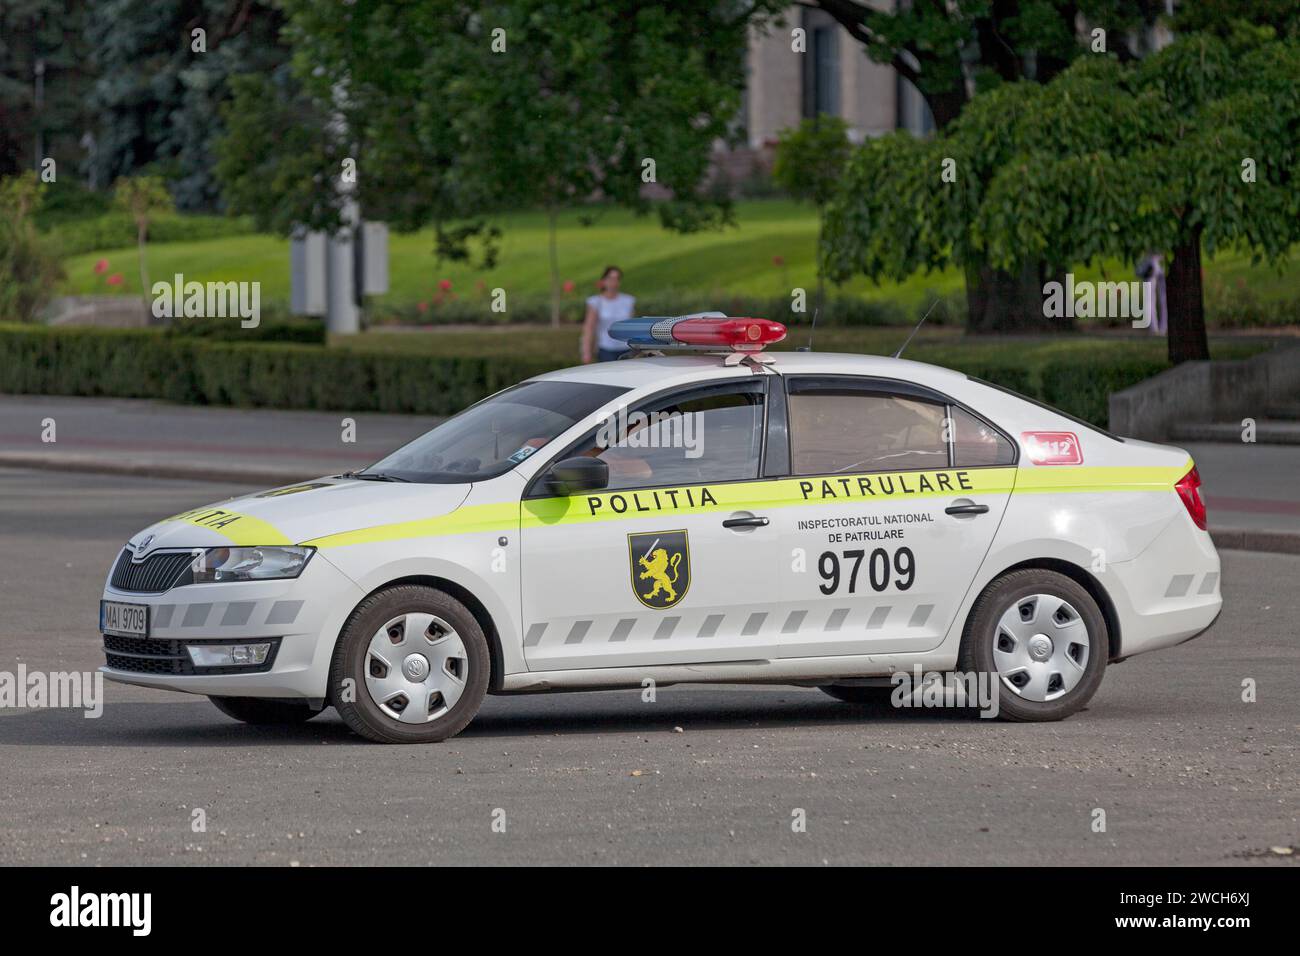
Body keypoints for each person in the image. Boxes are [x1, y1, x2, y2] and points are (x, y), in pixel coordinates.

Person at [581, 266, 635, 363]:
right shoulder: (596, 302)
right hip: (606, 349)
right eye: (610, 278)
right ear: (604, 280)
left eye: (616, 279)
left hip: (626, 349)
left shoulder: (628, 301)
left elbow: (633, 327)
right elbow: (589, 327)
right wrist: (586, 352)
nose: (613, 282)